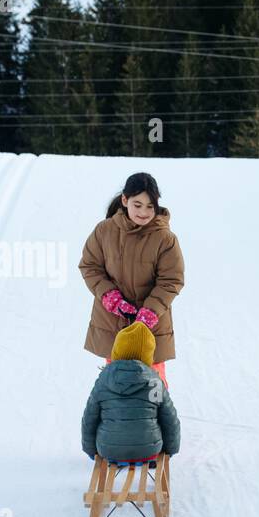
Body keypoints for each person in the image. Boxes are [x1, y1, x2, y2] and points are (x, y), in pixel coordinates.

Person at [79, 172, 184, 386]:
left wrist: (150, 311)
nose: (144, 212)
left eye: (149, 206)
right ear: (125, 201)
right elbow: (90, 266)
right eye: (137, 205)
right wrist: (109, 296)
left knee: (152, 384)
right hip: (113, 323)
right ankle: (116, 419)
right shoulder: (104, 231)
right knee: (117, 384)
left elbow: (171, 279)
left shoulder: (165, 238)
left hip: (151, 327)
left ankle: (157, 419)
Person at [81, 321, 181, 466]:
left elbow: (90, 418)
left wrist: (91, 450)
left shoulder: (104, 379)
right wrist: (170, 450)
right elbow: (168, 418)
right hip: (149, 450)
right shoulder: (154, 381)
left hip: (109, 450)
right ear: (148, 355)